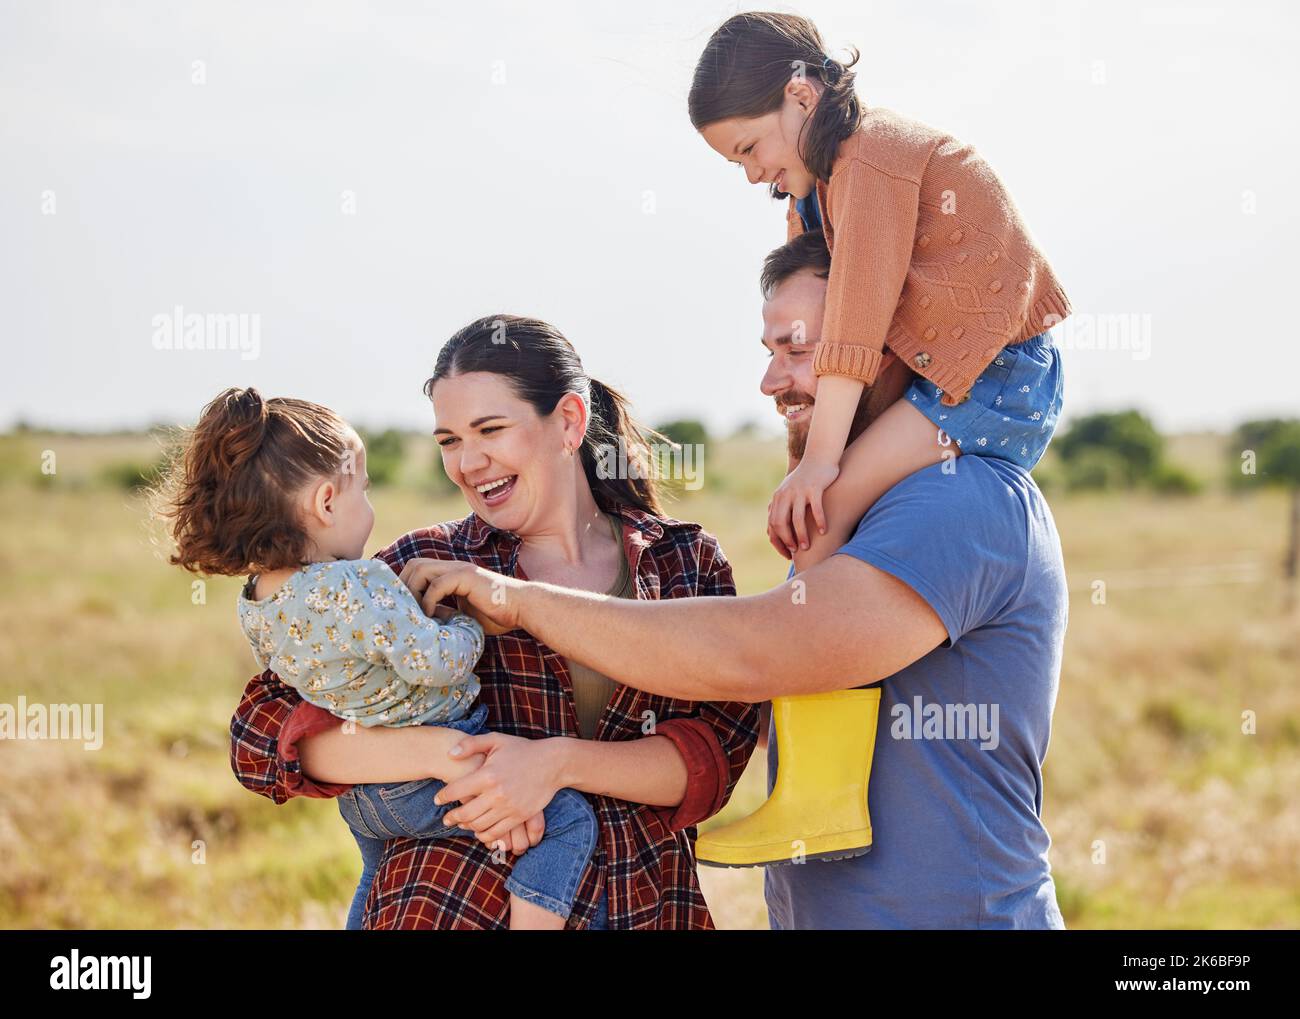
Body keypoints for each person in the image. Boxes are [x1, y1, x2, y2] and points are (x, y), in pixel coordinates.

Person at [406, 238, 1069, 929]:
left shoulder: (957, 503)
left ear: (894, 348)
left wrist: (518, 605)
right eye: (770, 351)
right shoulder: (859, 512)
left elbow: (758, 655)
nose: (771, 382)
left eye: (800, 350)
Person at [680, 11, 1070, 860]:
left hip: (993, 380)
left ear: (799, 94)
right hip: (944, 380)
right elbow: (815, 321)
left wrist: (824, 464)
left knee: (831, 506)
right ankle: (810, 790)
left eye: (749, 149)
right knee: (817, 520)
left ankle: (815, 797)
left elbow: (854, 318)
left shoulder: (872, 159)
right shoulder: (815, 192)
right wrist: (804, 461)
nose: (750, 175)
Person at [226, 315, 761, 929]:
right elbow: (260, 740)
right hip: (448, 905)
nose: (468, 462)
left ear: (567, 421)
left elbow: (713, 759)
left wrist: (552, 764)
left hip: (643, 905)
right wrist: (441, 753)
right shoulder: (418, 568)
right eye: (449, 440)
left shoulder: (682, 563)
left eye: (490, 430)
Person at [155, 387, 598, 930]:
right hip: (430, 783)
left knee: (375, 876)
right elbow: (435, 663)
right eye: (361, 490)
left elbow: (287, 685)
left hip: (365, 797)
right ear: (325, 502)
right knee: (568, 818)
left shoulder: (259, 601)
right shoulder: (361, 583)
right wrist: (465, 623)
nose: (369, 507)